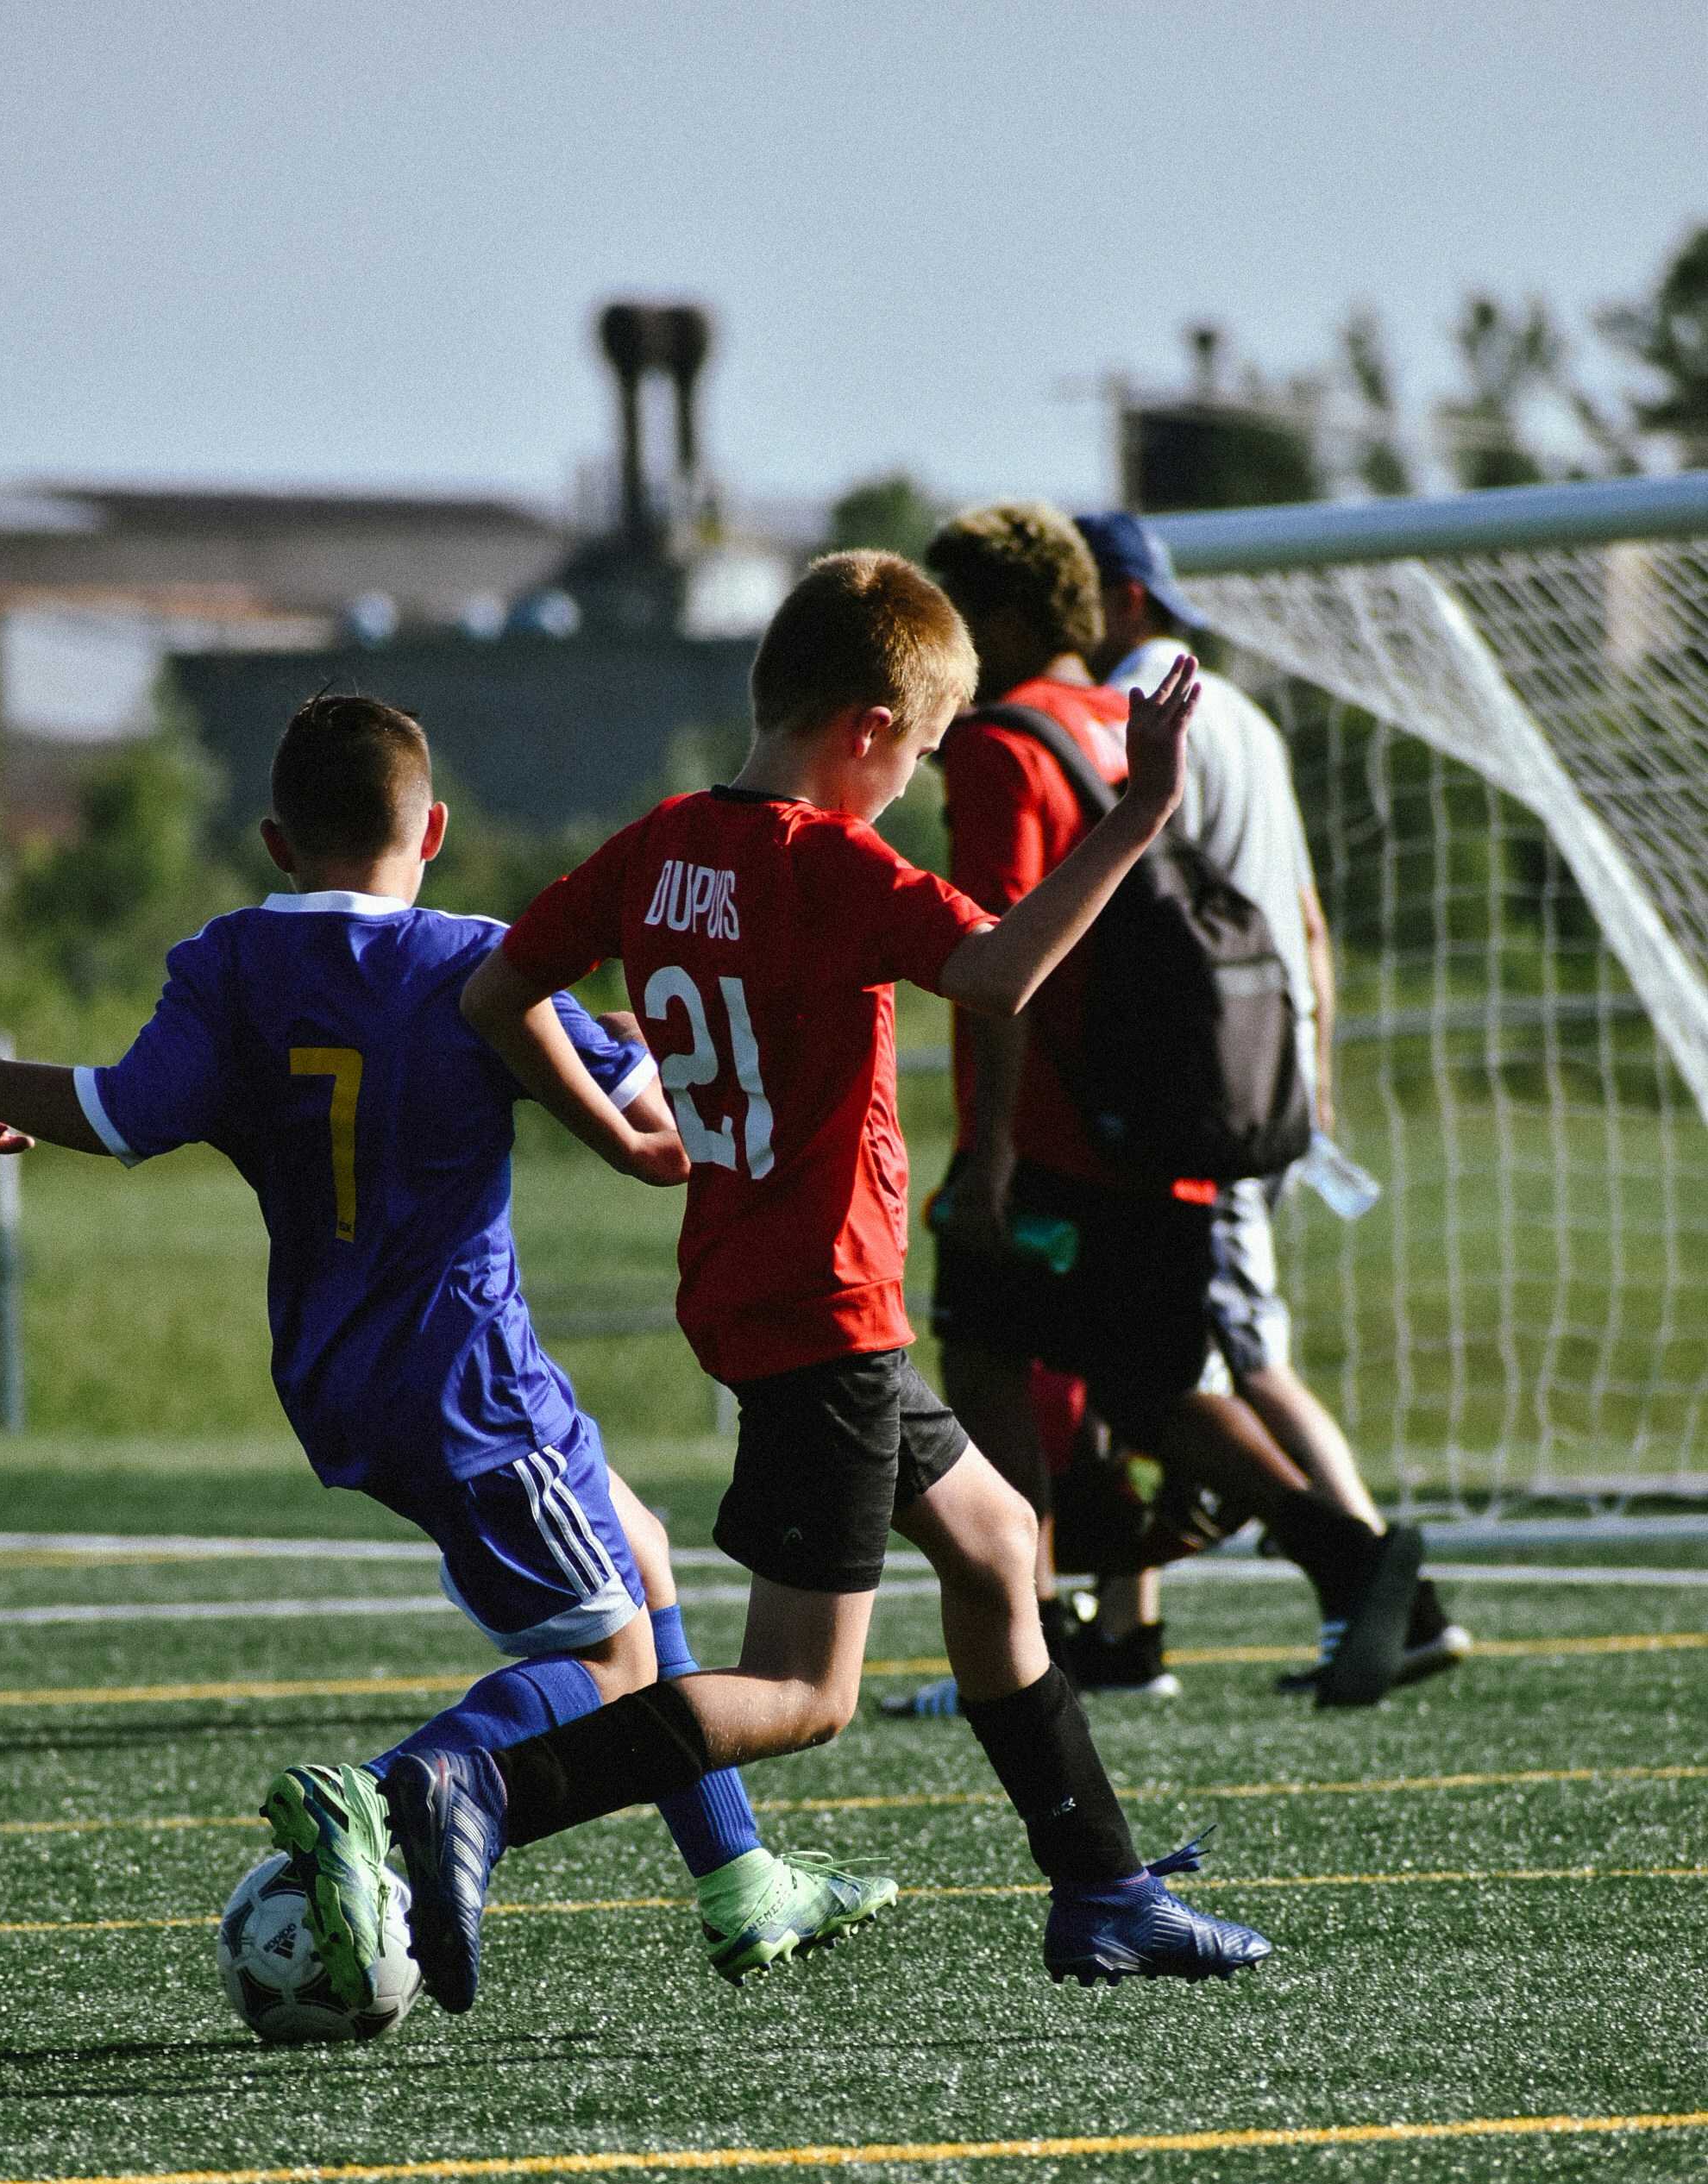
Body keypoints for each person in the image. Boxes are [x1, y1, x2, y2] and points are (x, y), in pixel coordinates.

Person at [427, 546, 1272, 2004]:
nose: (921, 781)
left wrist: (623, 1137)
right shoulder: (832, 862)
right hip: (825, 1303)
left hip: (769, 1290)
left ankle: (1103, 1891)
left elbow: (499, 992)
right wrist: (1136, 809)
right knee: (807, 1696)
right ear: (872, 729)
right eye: (927, 750)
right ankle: (493, 1796)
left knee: (1003, 1546)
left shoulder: (660, 841)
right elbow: (1004, 971)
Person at [0, 691, 893, 2003]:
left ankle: (741, 1877)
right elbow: (667, 1115)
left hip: (333, 1379)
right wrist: (650, 1038)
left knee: (635, 1551)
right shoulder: (479, 960)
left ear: (276, 840)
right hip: (477, 1386)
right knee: (614, 1660)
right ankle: (393, 1791)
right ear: (440, 829)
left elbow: (119, 1115)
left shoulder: (226, 964)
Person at [919, 500, 1428, 1709]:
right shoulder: (1114, 722)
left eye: (952, 618)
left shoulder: (1004, 745)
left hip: (1057, 1130)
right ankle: (1354, 1565)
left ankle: (1032, 1630)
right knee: (1147, 1388)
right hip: (1156, 1118)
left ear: (997, 617)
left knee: (992, 1355)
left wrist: (984, 1155)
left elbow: (1002, 968)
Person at [1075, 510, 1469, 1693]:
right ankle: (1122, 1629)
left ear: (1127, 601)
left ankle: (1394, 1599)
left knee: (1243, 1350)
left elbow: (1118, 895)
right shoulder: (1241, 710)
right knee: (1164, 1345)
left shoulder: (1141, 708)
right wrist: (1320, 1076)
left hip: (1211, 1071)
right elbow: (1303, 917)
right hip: (1264, 1061)